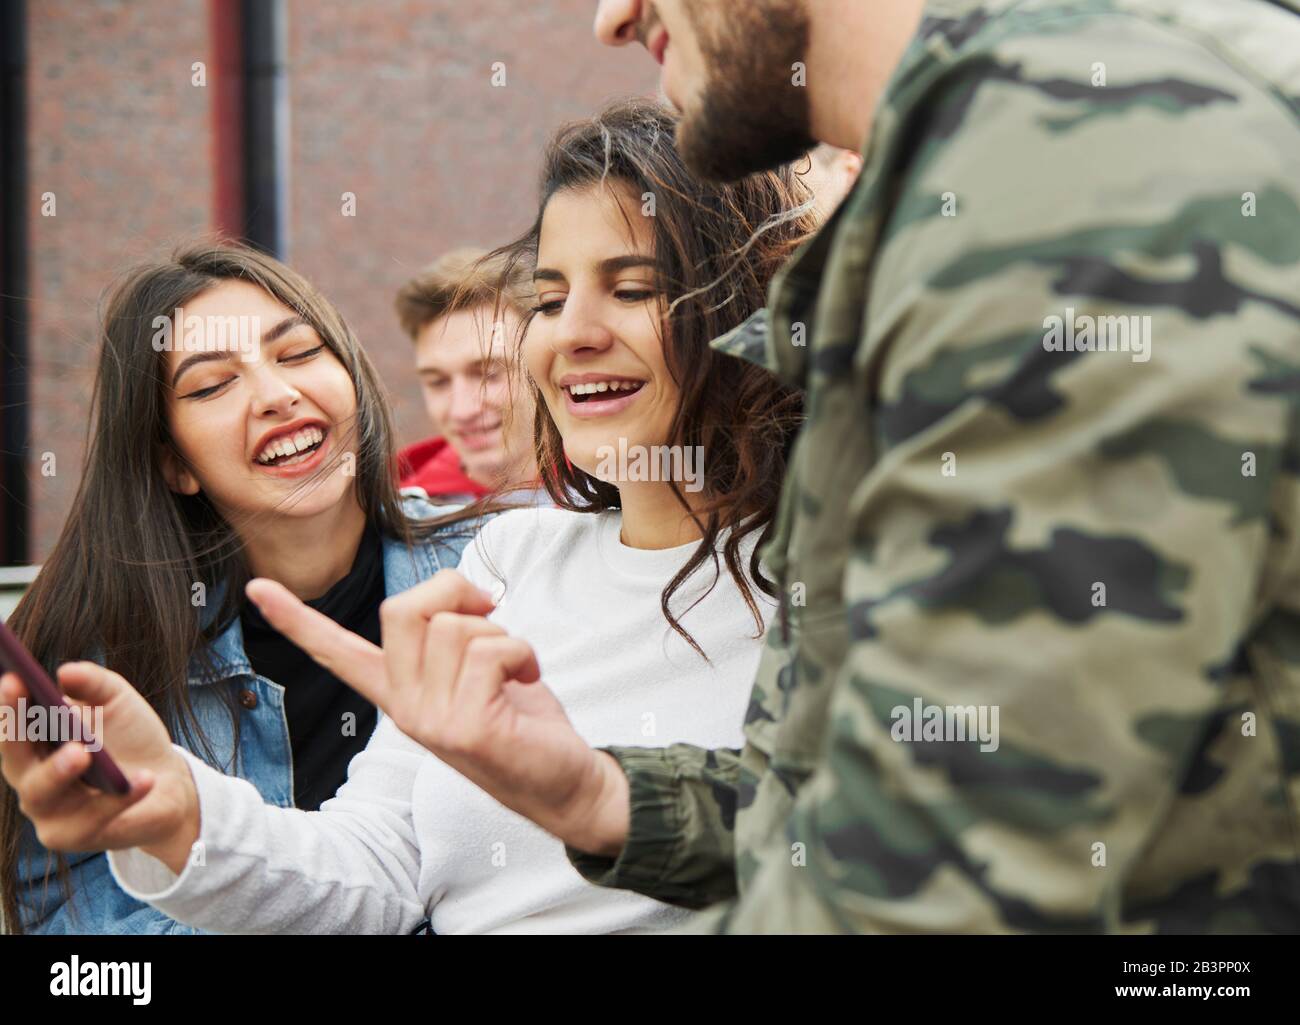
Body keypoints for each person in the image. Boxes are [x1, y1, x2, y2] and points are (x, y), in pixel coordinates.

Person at [214, 0, 1300, 934]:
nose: (611, 17)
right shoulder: (999, 165)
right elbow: (837, 820)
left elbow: (942, 875)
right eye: (549, 297)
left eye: (634, 287)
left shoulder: (1072, 175)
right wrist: (596, 795)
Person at [1, 99, 817, 934]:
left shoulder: (843, 573)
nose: (570, 334)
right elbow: (382, 864)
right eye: (548, 297)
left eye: (634, 288)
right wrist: (183, 818)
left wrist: (591, 795)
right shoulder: (510, 557)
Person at [0, 240, 482, 934]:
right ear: (174, 463)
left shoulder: (491, 565)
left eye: (297, 353)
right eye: (211, 385)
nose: (277, 394)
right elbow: (80, 947)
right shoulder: (97, 658)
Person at [394, 249, 541, 503]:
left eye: (488, 375)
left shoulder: (618, 495)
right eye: (437, 382)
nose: (462, 410)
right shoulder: (396, 518)